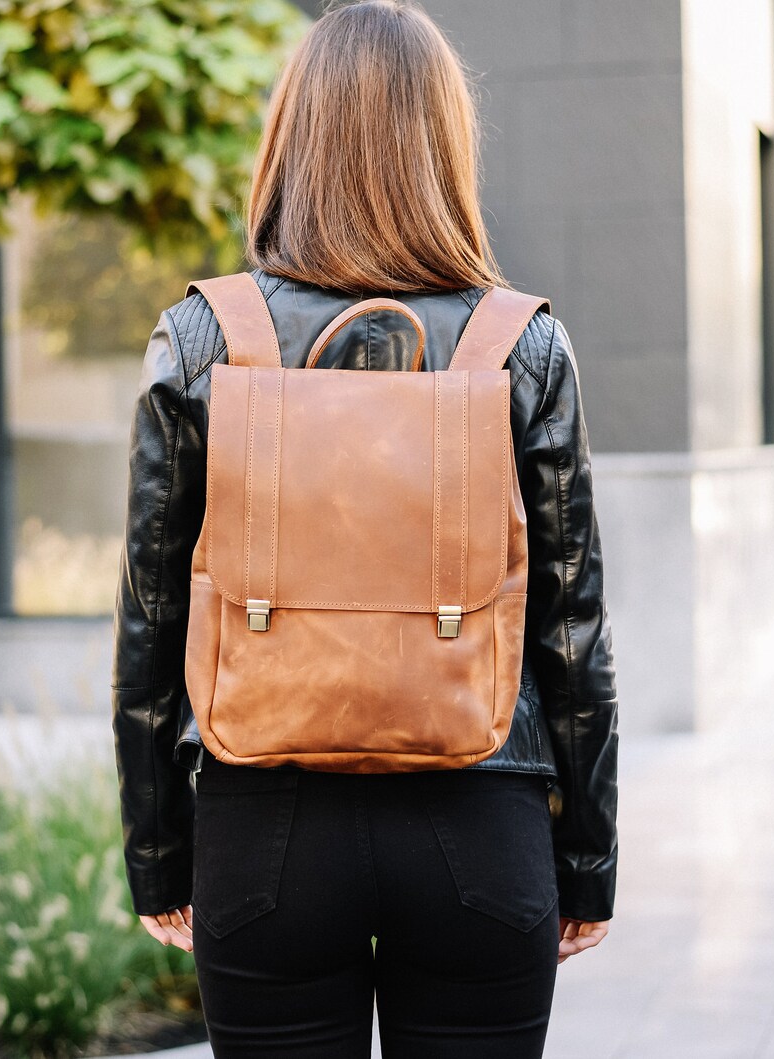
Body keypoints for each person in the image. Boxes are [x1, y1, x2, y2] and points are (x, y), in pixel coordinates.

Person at [111, 2, 619, 1055]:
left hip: (266, 834)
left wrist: (159, 853)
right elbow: (572, 629)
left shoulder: (205, 340)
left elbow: (150, 624)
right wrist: (588, 862)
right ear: (445, 146)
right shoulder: (519, 346)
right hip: (483, 824)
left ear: (290, 139)